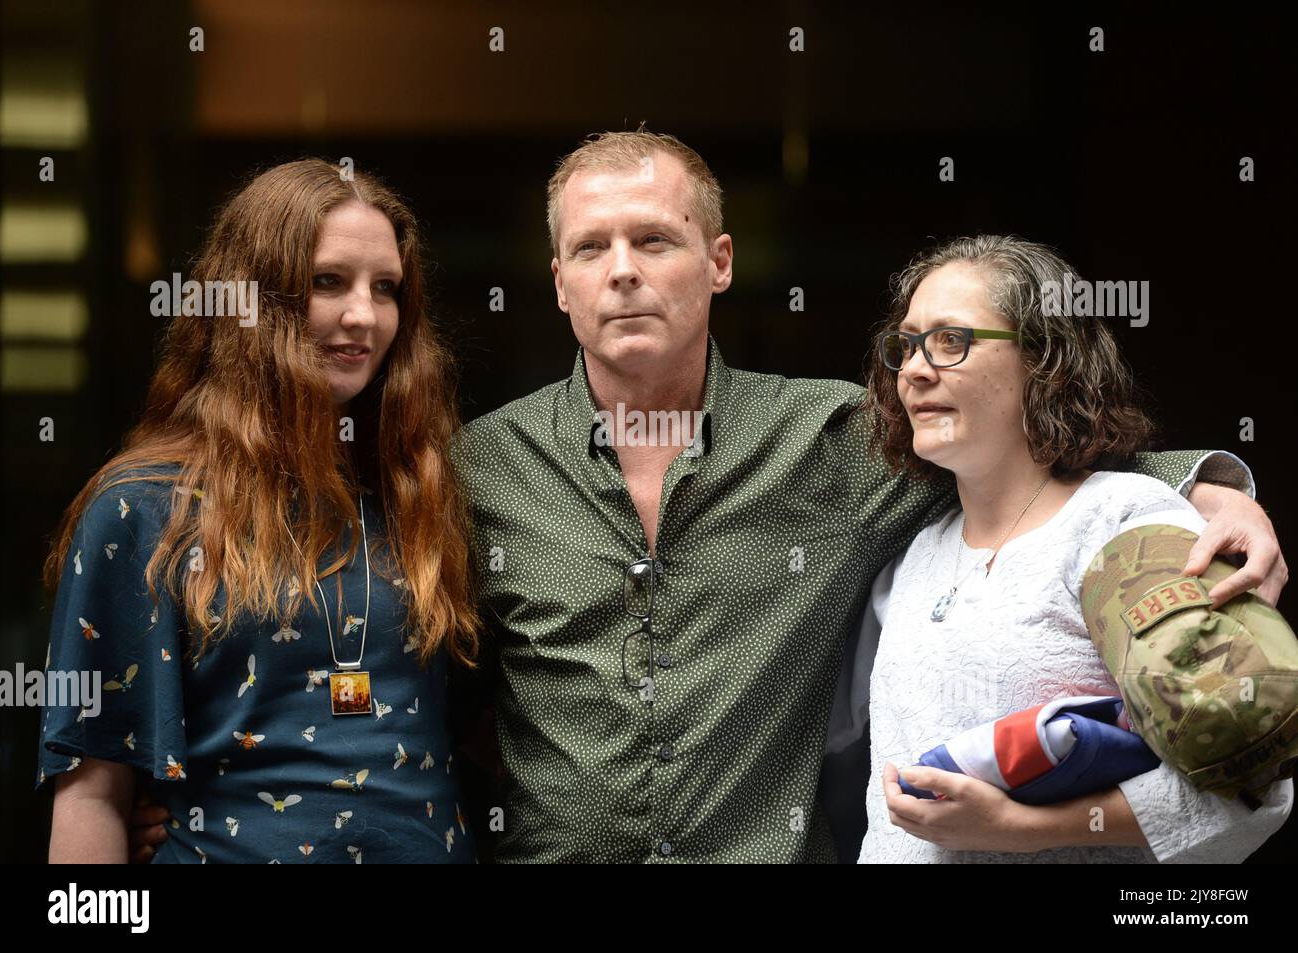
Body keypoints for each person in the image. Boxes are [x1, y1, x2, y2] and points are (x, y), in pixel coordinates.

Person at [447, 130, 1287, 861]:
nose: (622, 271)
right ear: (559, 281)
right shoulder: (481, 467)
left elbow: (1027, 449)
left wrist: (1209, 489)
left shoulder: (831, 443)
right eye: (592, 248)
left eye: (655, 240)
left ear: (719, 261)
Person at [40, 159, 480, 863]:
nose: (363, 314)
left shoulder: (422, 487)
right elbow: (92, 792)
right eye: (326, 281)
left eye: (386, 287)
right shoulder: (142, 507)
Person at [826, 235, 1293, 862]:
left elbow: (1253, 786)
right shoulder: (911, 558)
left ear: (1043, 359)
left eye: (950, 340)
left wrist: (1021, 829)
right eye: (905, 344)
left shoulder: (1122, 522)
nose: (913, 368)